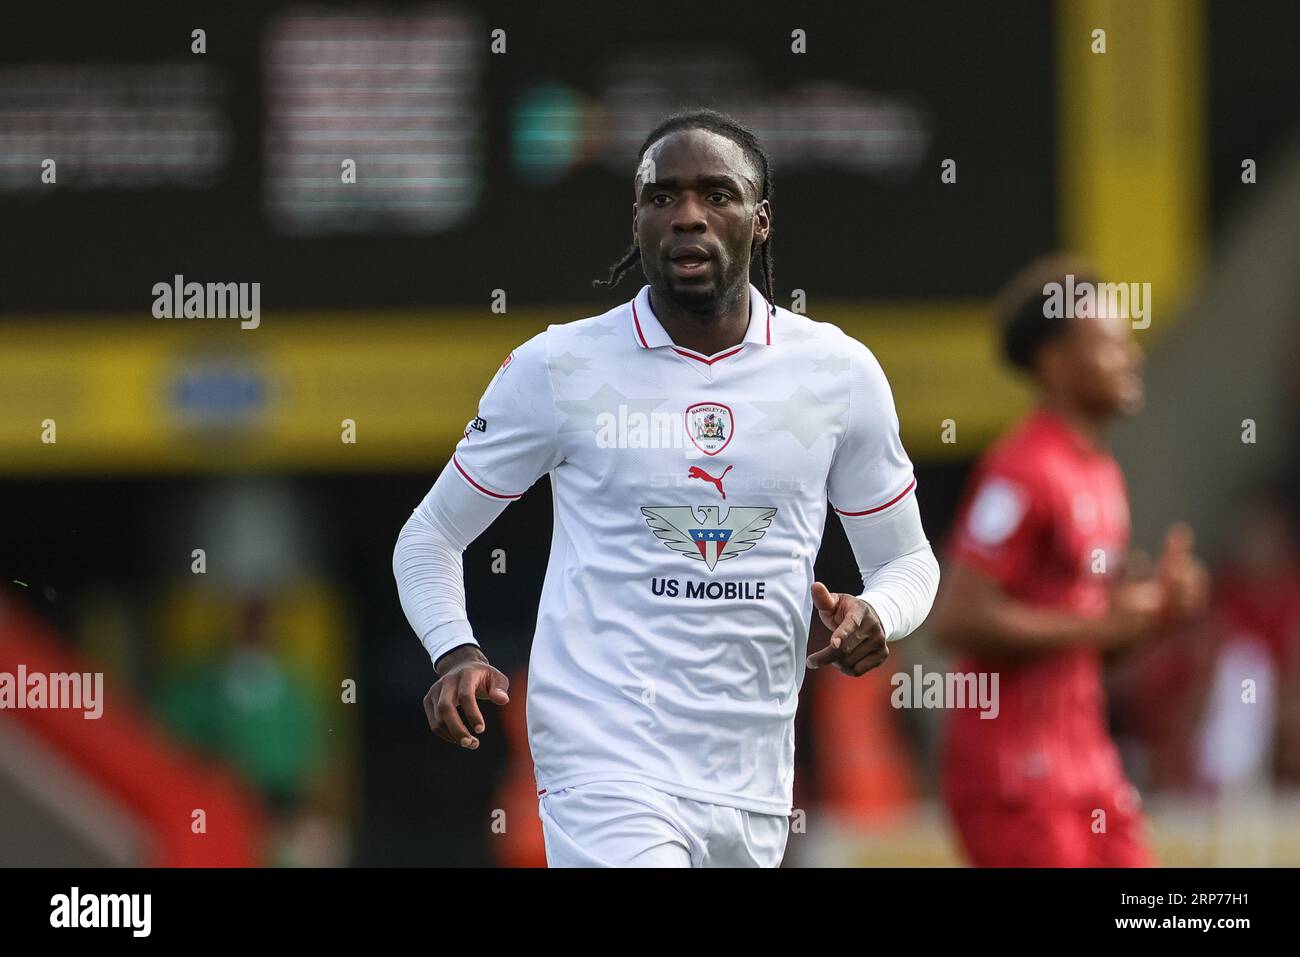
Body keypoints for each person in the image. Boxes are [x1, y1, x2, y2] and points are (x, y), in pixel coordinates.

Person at [394, 109, 940, 867]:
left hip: (751, 771)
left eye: (717, 194)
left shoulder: (838, 373)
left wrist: (876, 613)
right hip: (602, 757)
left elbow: (908, 562)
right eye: (662, 197)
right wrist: (454, 650)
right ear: (638, 220)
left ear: (761, 220)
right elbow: (431, 536)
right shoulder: (560, 368)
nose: (687, 215)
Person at [934, 255, 1208, 867]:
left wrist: (1152, 613)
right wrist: (1101, 625)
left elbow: (1088, 640)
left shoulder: (1102, 474)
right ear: (1056, 364)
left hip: (1087, 765)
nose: (1132, 357)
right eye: (1110, 344)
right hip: (1015, 775)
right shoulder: (1021, 470)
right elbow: (958, 617)